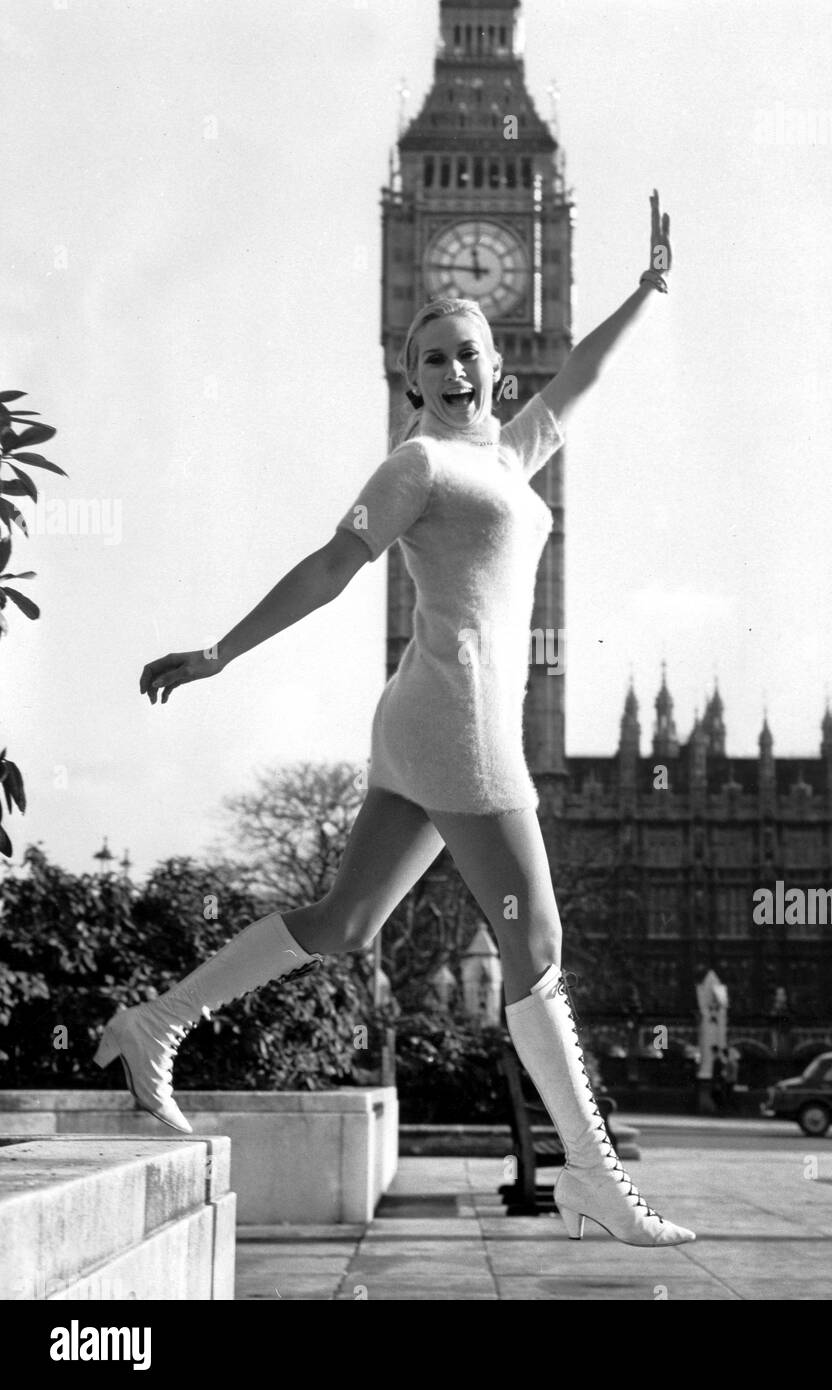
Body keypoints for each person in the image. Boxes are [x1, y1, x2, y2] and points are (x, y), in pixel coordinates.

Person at [94, 191, 694, 1248]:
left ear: (494, 366)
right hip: (457, 722)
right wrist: (221, 651)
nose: (454, 370)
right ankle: (591, 1177)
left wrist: (648, 290)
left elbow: (586, 374)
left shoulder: (508, 456)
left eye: (469, 353)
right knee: (539, 944)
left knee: (342, 925)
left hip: (431, 723)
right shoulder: (420, 465)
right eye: (434, 359)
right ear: (409, 378)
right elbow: (334, 565)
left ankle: (154, 1023)